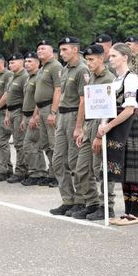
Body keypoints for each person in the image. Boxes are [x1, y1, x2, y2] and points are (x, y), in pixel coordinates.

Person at [97, 43, 138, 225]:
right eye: (110, 56)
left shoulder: (131, 79)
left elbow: (130, 109)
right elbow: (108, 107)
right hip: (117, 127)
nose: (111, 59)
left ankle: (134, 213)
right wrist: (103, 124)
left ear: (125, 57)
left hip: (129, 127)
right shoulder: (116, 80)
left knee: (132, 171)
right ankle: (126, 212)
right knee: (122, 169)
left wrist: (108, 127)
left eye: (114, 56)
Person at [72, 44, 115, 220]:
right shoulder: (91, 77)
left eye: (91, 60)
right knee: (82, 168)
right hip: (90, 124)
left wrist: (99, 134)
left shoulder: (109, 79)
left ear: (102, 58)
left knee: (101, 168)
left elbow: (109, 109)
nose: (88, 63)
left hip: (101, 125)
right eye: (87, 60)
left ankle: (107, 205)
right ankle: (92, 203)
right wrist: (82, 128)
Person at [49, 37, 89, 216]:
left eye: (65, 49)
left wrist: (79, 126)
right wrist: (56, 113)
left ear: (75, 50)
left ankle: (81, 200)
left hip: (74, 115)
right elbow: (61, 94)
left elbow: (83, 100)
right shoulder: (64, 70)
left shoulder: (82, 70)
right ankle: (68, 199)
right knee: (58, 160)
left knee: (74, 161)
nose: (61, 53)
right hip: (63, 115)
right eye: (60, 50)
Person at [33, 40, 62, 187]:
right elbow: (39, 93)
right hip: (41, 108)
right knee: (45, 144)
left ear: (51, 51)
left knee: (54, 143)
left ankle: (59, 175)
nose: (39, 51)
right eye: (38, 48)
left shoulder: (55, 66)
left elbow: (58, 89)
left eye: (43, 48)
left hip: (50, 107)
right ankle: (52, 172)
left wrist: (53, 112)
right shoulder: (42, 68)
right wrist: (37, 113)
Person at [21, 53, 48, 186]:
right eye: (25, 61)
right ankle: (39, 172)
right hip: (26, 115)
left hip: (34, 116)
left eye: (30, 61)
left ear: (38, 64)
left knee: (30, 144)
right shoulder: (29, 78)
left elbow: (39, 98)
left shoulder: (38, 77)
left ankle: (37, 173)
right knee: (34, 146)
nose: (26, 63)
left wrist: (35, 116)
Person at [2, 54, 28, 183]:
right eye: (9, 63)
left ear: (21, 62)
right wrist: (7, 114)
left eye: (13, 62)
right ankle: (22, 169)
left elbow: (26, 99)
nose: (10, 65)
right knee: (17, 142)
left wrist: (23, 117)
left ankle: (21, 170)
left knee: (19, 142)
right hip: (11, 110)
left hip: (19, 111)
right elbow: (9, 97)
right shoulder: (12, 77)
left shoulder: (24, 76)